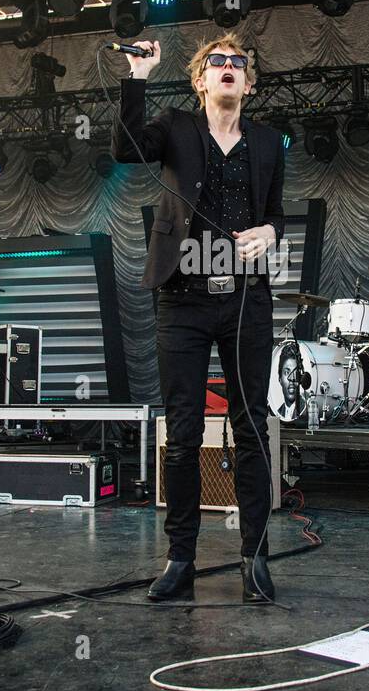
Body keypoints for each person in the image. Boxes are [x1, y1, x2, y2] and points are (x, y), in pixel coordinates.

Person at [111, 32, 285, 603]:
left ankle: (254, 557)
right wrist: (136, 76)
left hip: (244, 300)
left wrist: (270, 231)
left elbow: (276, 215)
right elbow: (125, 147)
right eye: (218, 62)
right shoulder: (176, 128)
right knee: (183, 434)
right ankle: (180, 557)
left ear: (250, 82)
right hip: (182, 299)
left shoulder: (267, 142)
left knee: (251, 426)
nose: (229, 68)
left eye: (239, 63)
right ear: (200, 79)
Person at [274, 346, 304, 420]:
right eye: (287, 372)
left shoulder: (306, 410)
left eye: (295, 372)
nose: (292, 378)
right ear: (280, 378)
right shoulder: (278, 413)